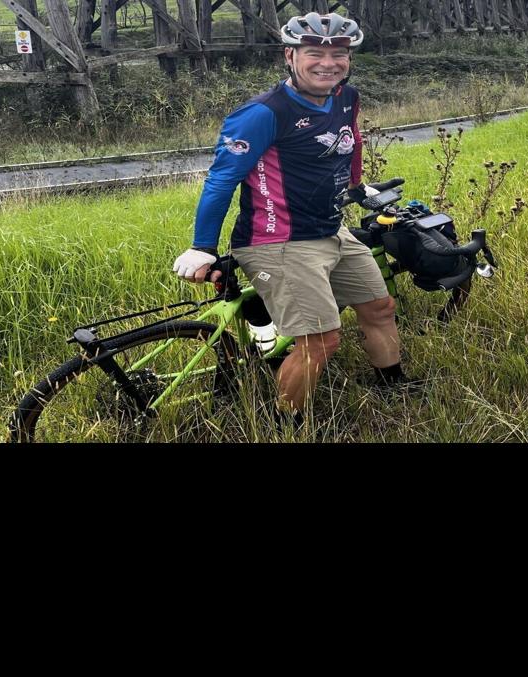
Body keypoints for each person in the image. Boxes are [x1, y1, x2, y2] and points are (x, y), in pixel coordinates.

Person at [171, 11, 412, 419]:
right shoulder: (263, 113)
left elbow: (349, 143)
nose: (328, 63)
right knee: (321, 340)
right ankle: (286, 422)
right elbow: (221, 180)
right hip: (278, 241)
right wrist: (202, 247)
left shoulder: (345, 97)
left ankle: (394, 386)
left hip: (331, 230)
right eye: (314, 52)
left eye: (339, 53)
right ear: (290, 55)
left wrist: (357, 187)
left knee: (380, 307)